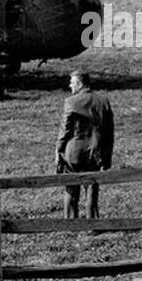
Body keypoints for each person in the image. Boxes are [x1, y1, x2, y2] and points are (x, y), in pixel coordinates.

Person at [55, 69, 114, 219]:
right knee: (91, 189)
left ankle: (71, 222)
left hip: (73, 150)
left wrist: (58, 150)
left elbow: (65, 130)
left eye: (72, 82)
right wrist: (107, 156)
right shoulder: (103, 101)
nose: (70, 85)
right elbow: (109, 132)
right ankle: (92, 223)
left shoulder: (71, 102)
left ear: (80, 84)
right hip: (95, 149)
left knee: (71, 188)